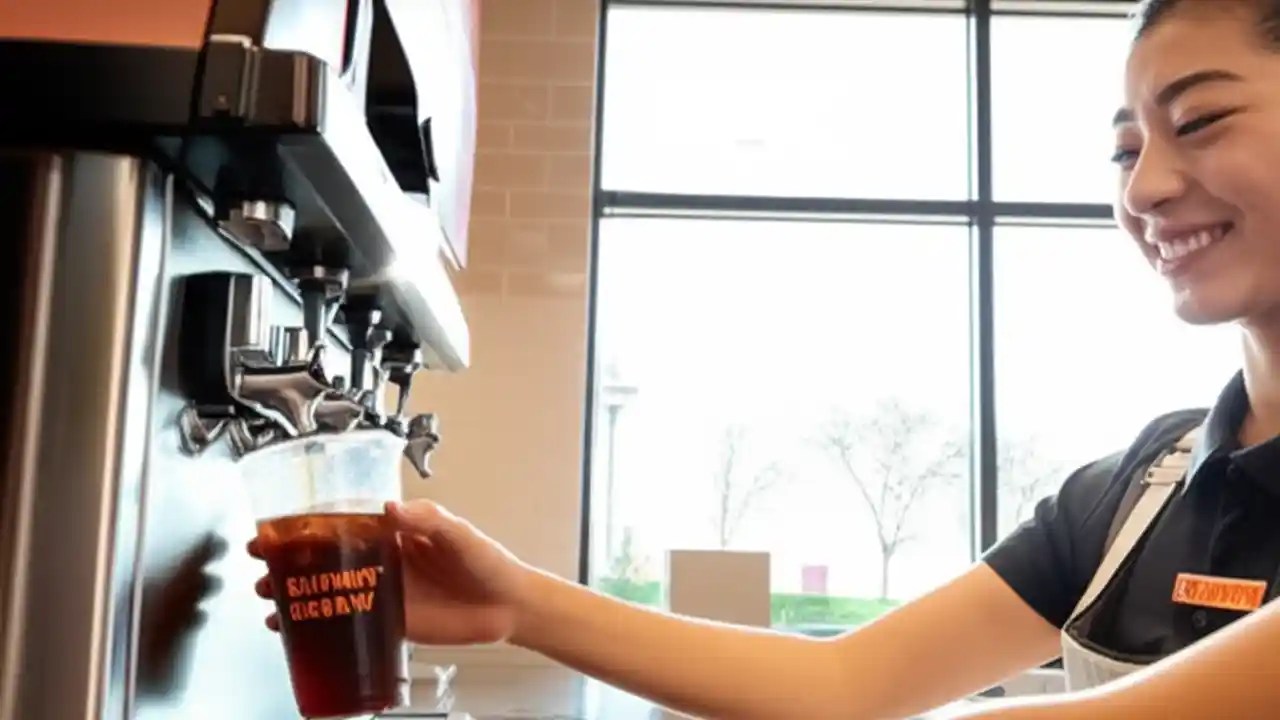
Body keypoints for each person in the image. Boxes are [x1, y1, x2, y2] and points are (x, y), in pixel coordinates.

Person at [248, 0, 1280, 717]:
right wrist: (516, 601)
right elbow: (840, 689)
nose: (1143, 188)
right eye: (1120, 150)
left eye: (1196, 122)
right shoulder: (1137, 493)